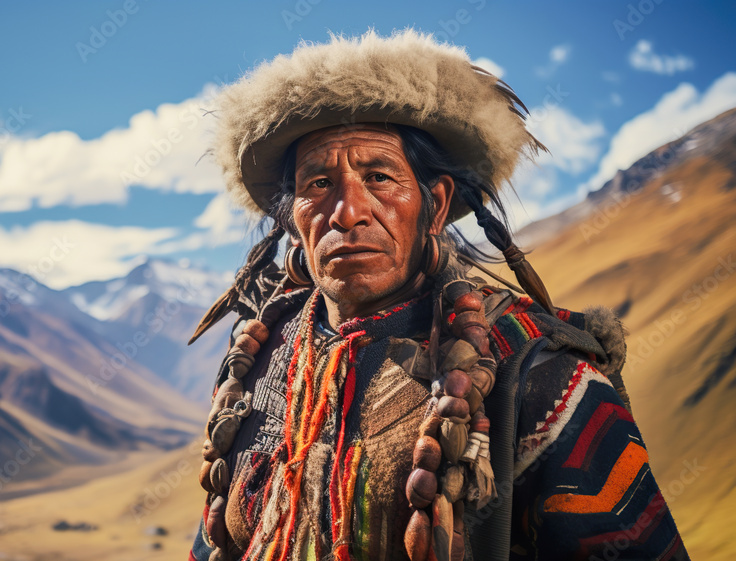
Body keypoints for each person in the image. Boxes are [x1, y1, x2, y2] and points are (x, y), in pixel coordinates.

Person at [187, 31, 689, 561]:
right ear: (293, 220)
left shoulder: (538, 373)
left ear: (437, 204)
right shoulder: (259, 360)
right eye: (317, 184)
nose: (346, 211)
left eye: (379, 177)